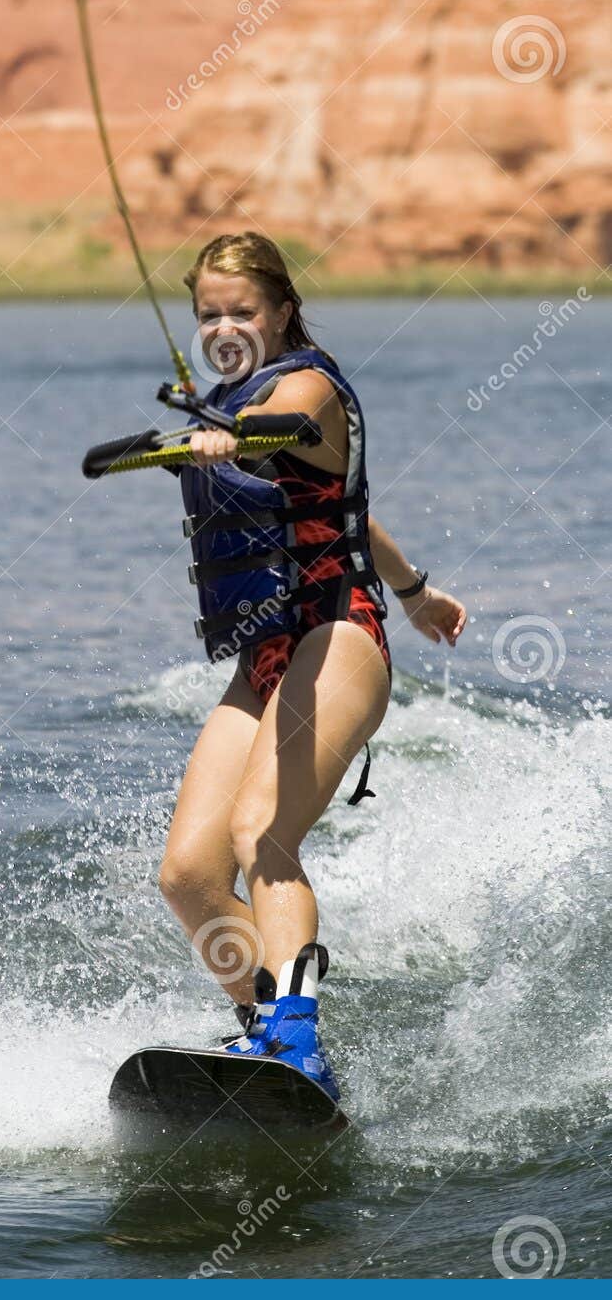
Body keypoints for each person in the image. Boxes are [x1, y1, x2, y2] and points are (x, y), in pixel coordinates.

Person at [159, 232, 467, 1101]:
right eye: (209, 313)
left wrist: (233, 436)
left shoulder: (310, 386)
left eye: (243, 311)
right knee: (187, 874)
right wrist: (420, 592)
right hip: (263, 655)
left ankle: (299, 1047)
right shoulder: (225, 401)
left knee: (264, 832)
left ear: (283, 310)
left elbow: (285, 427)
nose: (225, 326)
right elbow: (350, 513)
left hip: (337, 635)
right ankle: (263, 1022)